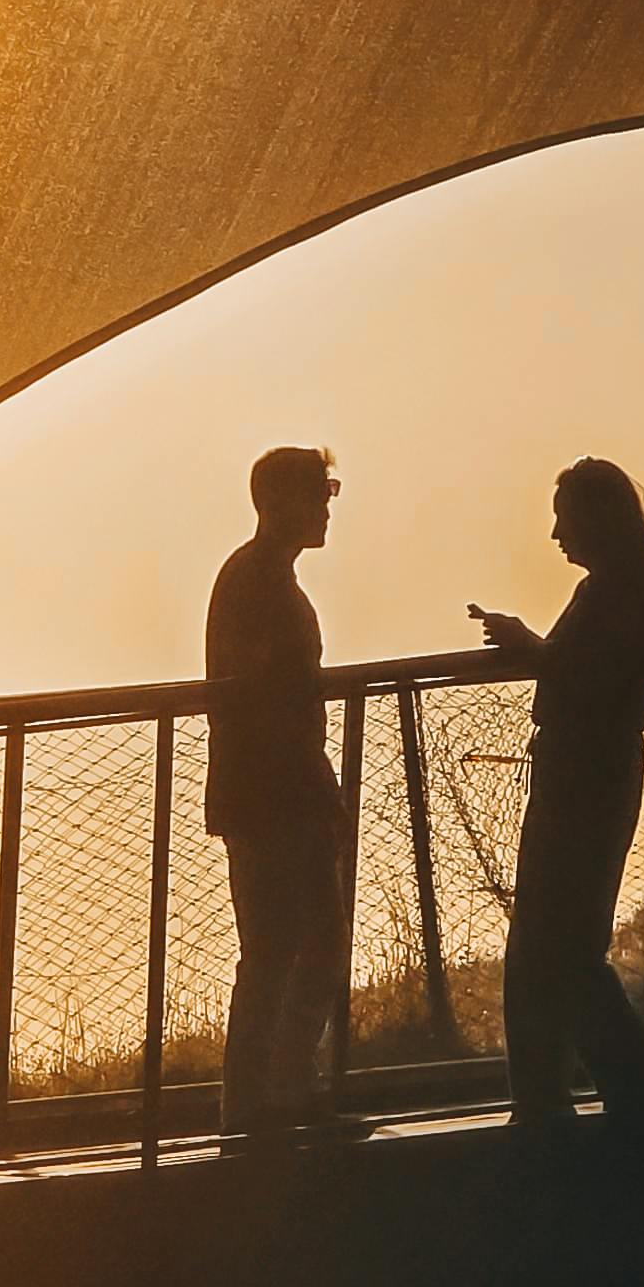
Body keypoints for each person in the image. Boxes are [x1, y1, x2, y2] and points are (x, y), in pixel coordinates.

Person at [471, 458, 644, 1134]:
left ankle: (591, 1095)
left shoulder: (612, 594)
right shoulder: (631, 588)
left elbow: (588, 678)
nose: (555, 533)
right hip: (594, 771)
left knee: (552, 941)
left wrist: (528, 648)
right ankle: (592, 1093)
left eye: (564, 516)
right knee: (563, 941)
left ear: (595, 519)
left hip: (581, 777)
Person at [205, 446, 347, 1137]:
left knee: (296, 946)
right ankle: (259, 1105)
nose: (327, 506)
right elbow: (265, 700)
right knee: (282, 951)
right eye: (320, 492)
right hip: (275, 797)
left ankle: (276, 1096)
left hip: (274, 793)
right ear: (281, 501)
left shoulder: (259, 578)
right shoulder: (259, 582)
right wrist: (313, 782)